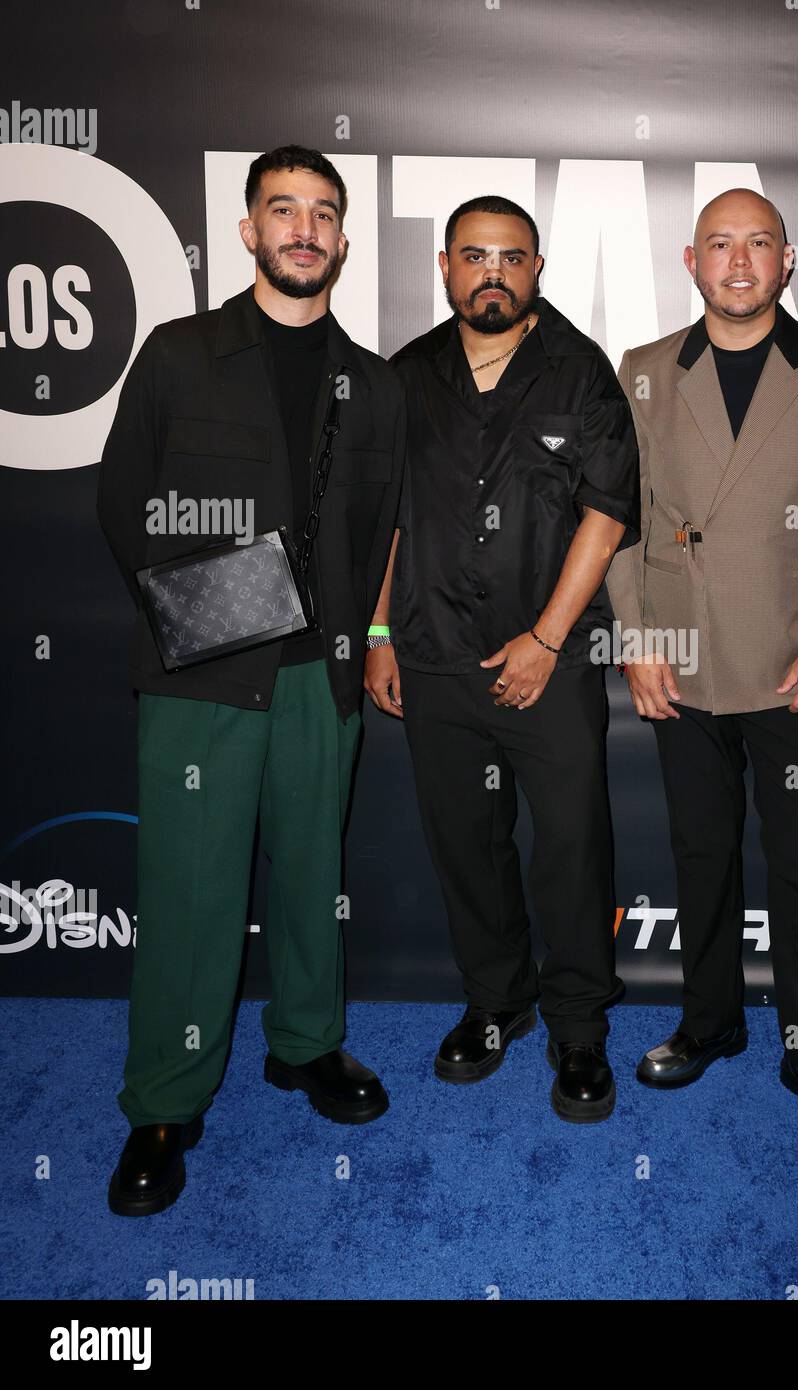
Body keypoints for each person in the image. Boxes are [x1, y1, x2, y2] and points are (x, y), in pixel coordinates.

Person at [98, 145, 406, 1215]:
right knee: (191, 894)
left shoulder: (369, 383)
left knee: (312, 879)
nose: (304, 229)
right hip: (205, 682)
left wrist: (369, 635)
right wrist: (226, 612)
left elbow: (380, 535)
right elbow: (125, 502)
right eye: (284, 210)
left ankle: (306, 1046)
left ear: (342, 238)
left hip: (319, 684)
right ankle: (164, 1105)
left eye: (323, 213)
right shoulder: (180, 353)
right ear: (247, 231)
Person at [606, 188, 798, 1140]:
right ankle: (710, 1024)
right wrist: (639, 641)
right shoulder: (644, 370)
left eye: (757, 243)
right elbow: (617, 517)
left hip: (790, 665)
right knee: (701, 855)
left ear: (787, 259)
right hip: (683, 663)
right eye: (718, 245)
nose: (738, 261)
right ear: (690, 262)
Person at [364, 196, 640, 1123]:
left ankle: (579, 1030)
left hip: (550, 666)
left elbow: (606, 516)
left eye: (511, 257)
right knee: (467, 849)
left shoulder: (581, 373)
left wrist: (547, 639)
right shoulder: (403, 377)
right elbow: (388, 520)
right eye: (474, 256)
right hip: (434, 656)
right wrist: (376, 634)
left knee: (570, 850)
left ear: (537, 268)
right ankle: (495, 1005)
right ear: (444, 266)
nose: (493, 272)